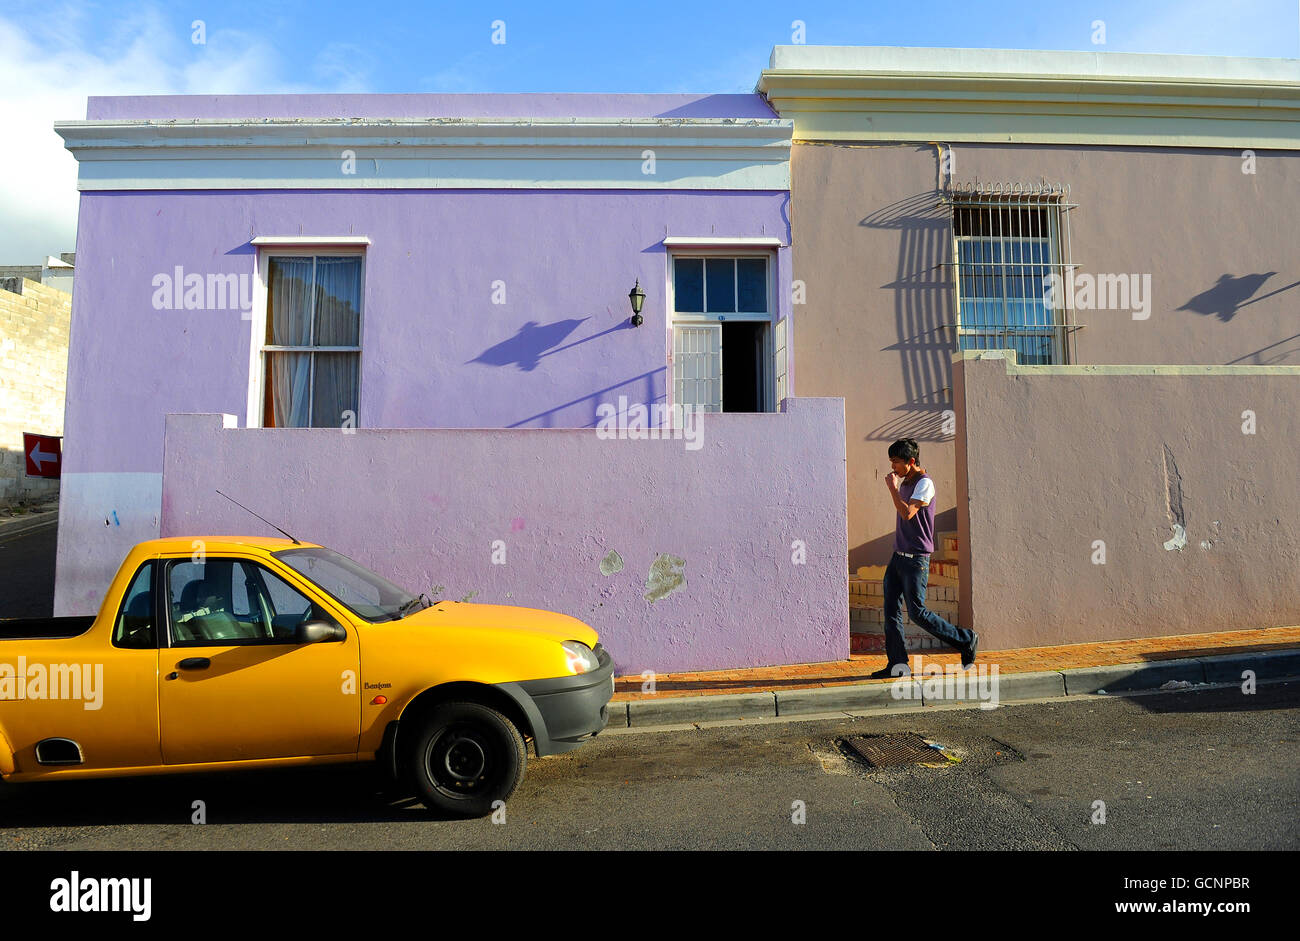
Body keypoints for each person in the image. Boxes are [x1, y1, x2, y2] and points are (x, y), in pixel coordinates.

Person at [869, 438, 979, 679]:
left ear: (911, 461)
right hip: (898, 556)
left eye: (896, 462)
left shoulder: (924, 484)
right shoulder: (906, 481)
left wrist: (892, 489)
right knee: (890, 611)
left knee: (917, 612)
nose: (892, 467)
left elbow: (908, 513)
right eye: (891, 462)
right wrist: (897, 487)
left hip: (916, 560)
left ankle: (965, 639)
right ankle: (898, 665)